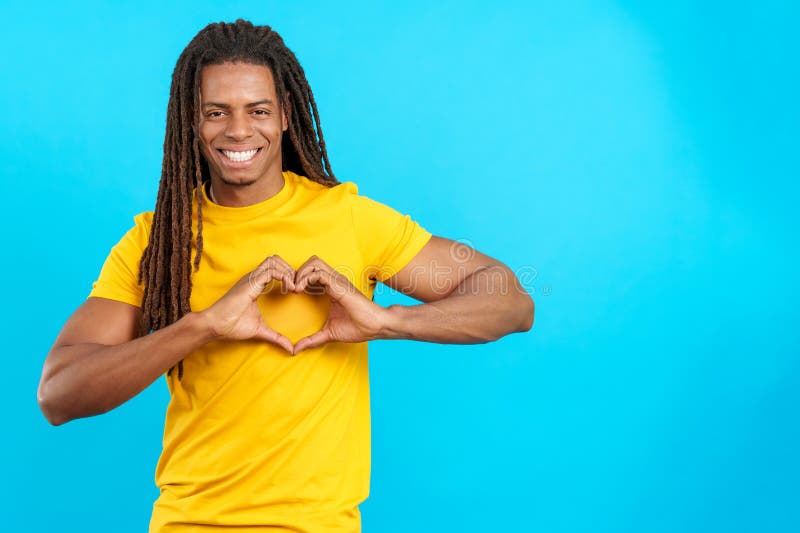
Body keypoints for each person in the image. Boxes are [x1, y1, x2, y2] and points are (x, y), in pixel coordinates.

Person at [37, 19, 534, 533]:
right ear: (192, 121)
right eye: (216, 112)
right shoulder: (156, 241)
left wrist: (386, 320)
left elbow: (512, 299)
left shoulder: (350, 219)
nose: (238, 130)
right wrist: (201, 326)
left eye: (258, 110)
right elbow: (58, 393)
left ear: (286, 116)